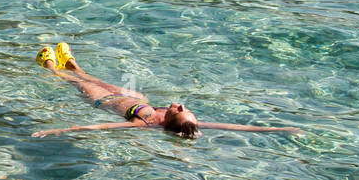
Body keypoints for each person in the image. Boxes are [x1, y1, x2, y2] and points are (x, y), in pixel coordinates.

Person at [33, 43, 302, 138]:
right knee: (91, 76)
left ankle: (51, 66)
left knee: (76, 83)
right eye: (187, 111)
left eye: (179, 112)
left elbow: (102, 128)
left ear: (171, 119)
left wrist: (60, 130)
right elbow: (235, 127)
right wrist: (279, 129)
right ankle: (73, 63)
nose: (182, 107)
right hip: (134, 98)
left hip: (105, 101)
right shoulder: (186, 122)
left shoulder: (145, 123)